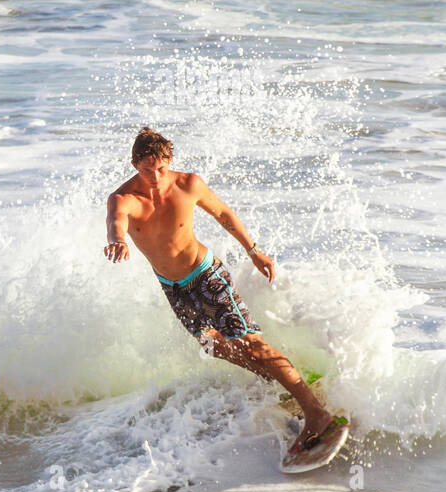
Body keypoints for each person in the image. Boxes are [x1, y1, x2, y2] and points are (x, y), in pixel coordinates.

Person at [104, 126, 349, 468]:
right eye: (147, 170)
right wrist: (117, 240)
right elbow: (116, 222)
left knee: (252, 343)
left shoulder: (188, 184)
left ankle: (317, 414)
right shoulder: (123, 199)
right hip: (173, 288)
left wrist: (255, 251)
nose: (155, 177)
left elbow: (223, 214)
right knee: (213, 345)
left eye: (160, 168)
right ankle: (283, 380)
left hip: (207, 275)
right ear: (134, 165)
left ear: (170, 161)